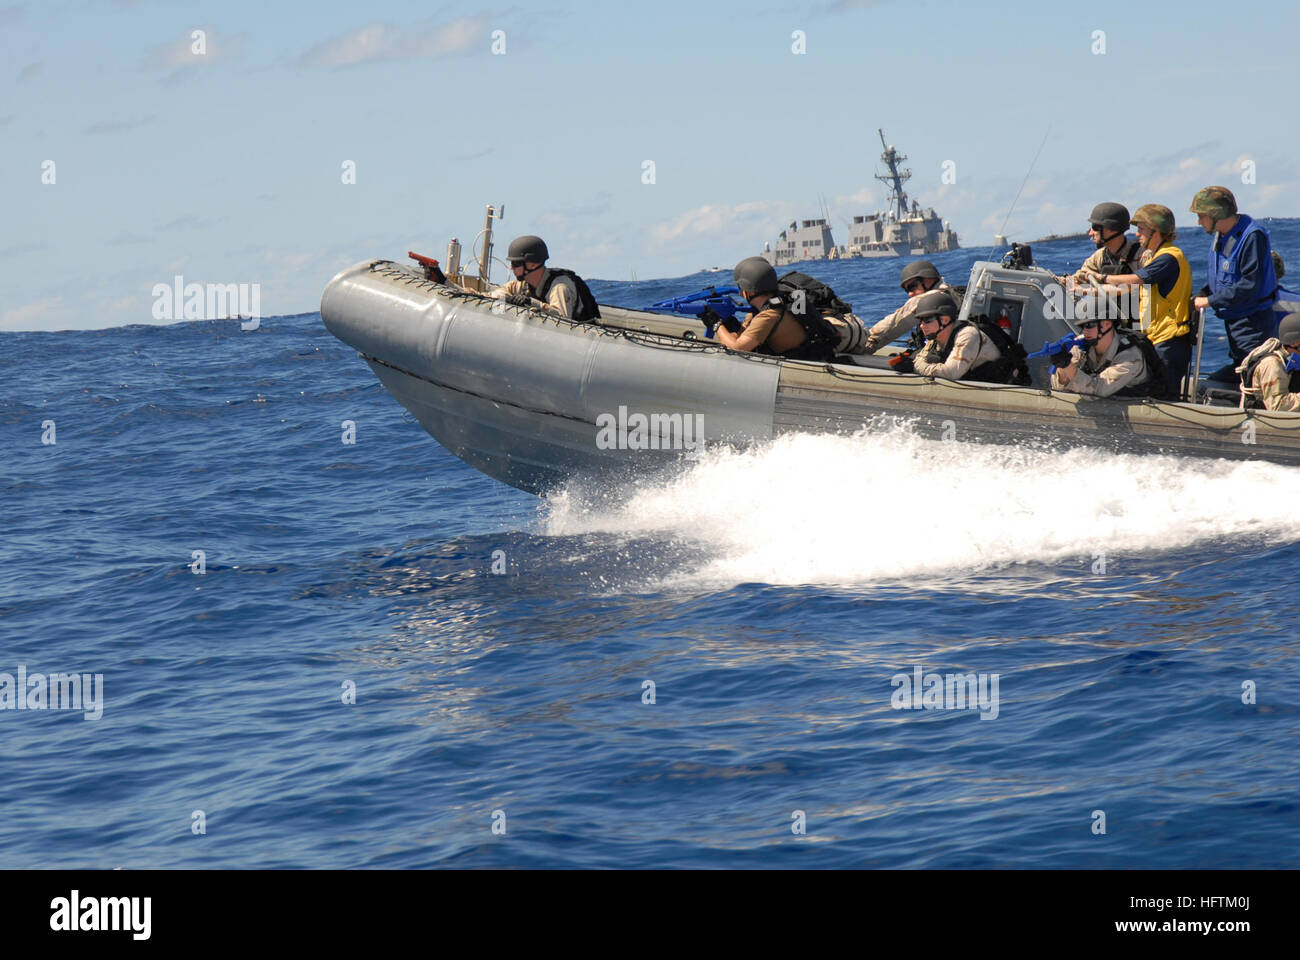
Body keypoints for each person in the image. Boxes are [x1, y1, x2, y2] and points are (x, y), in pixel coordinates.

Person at [1096, 204, 1193, 397]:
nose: (1137, 234)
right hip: (1158, 339)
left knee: (1165, 398)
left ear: (1156, 231)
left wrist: (1103, 278)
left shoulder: (1169, 257)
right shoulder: (1159, 256)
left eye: (1141, 229)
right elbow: (1134, 288)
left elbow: (1135, 279)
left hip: (1169, 342)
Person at [1189, 186, 1278, 380]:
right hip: (1234, 321)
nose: (1199, 221)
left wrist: (1211, 301)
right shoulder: (1221, 235)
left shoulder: (1252, 236)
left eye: (1202, 216)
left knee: (1254, 373)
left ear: (1216, 214)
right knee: (1233, 372)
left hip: (1252, 323)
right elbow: (1224, 277)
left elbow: (1249, 284)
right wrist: (1204, 293)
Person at [715, 257, 839, 361]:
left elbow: (737, 348)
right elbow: (744, 335)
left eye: (741, 288)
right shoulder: (777, 304)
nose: (741, 293)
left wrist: (716, 324)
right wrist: (728, 322)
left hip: (802, 364)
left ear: (750, 292)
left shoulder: (768, 315)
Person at [890, 290, 1021, 383]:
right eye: (921, 321)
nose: (922, 326)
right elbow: (922, 357)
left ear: (945, 320)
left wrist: (915, 366)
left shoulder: (968, 336)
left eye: (927, 320)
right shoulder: (936, 337)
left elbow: (950, 374)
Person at [1050, 307, 1160, 398]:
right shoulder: (1082, 344)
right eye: (1082, 326)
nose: (1085, 331)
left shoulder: (1130, 356)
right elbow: (1058, 387)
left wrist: (1067, 365)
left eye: (1089, 325)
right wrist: (1061, 365)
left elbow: (1096, 392)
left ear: (1107, 324)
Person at [860, 260, 963, 354]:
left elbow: (892, 325)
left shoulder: (928, 299)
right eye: (906, 290)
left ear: (928, 280)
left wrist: (862, 346)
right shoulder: (950, 295)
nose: (909, 294)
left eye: (912, 286)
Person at [490, 235, 600, 322]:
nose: (511, 267)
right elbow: (500, 292)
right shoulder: (524, 284)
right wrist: (506, 298)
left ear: (532, 265)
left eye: (516, 264)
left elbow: (563, 321)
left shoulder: (559, 288)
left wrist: (531, 303)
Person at [1065, 202, 1147, 285]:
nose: (1090, 233)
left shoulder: (1142, 255)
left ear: (1112, 229)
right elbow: (1079, 278)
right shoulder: (1099, 257)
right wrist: (1061, 281)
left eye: (1095, 227)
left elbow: (1145, 283)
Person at [1237, 312, 1300, 412]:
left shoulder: (1292, 359)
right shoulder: (1272, 365)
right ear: (1295, 343)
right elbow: (1278, 406)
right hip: (1268, 423)